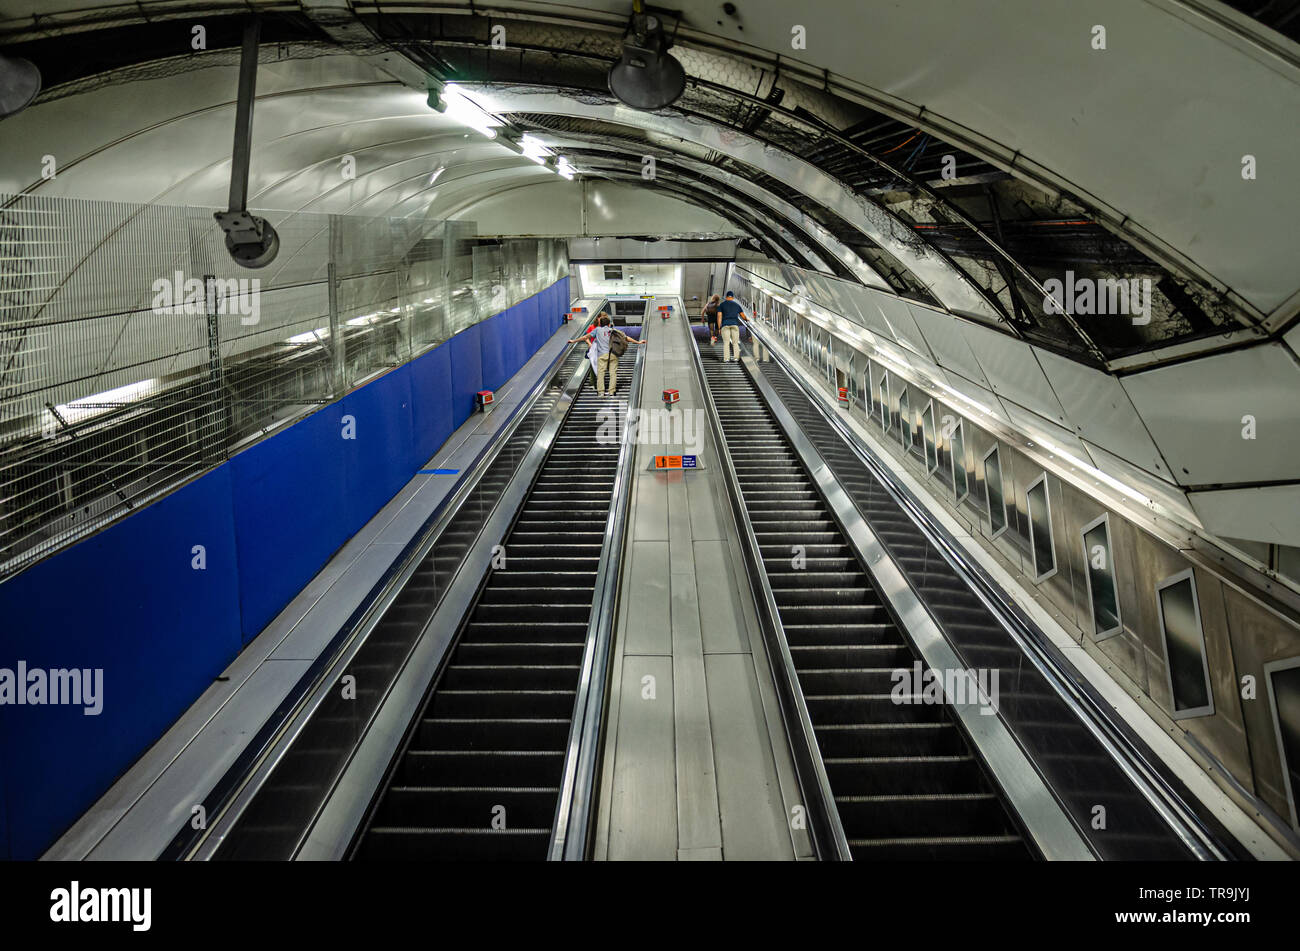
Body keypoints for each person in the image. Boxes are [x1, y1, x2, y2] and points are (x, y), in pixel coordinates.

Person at [569, 314, 644, 396]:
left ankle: (601, 392)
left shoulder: (597, 330)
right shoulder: (614, 330)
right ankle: (612, 391)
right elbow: (626, 338)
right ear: (609, 324)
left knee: (601, 373)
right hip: (613, 354)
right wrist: (638, 342)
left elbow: (585, 337)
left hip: (602, 355)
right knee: (613, 373)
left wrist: (573, 341)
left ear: (600, 324)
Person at [717, 290, 748, 362]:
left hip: (725, 325)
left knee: (726, 342)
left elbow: (719, 316)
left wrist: (719, 327)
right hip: (734, 325)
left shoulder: (721, 305)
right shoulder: (737, 305)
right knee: (735, 342)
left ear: (726, 297)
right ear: (732, 297)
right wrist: (747, 319)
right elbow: (743, 316)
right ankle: (736, 358)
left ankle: (726, 358)